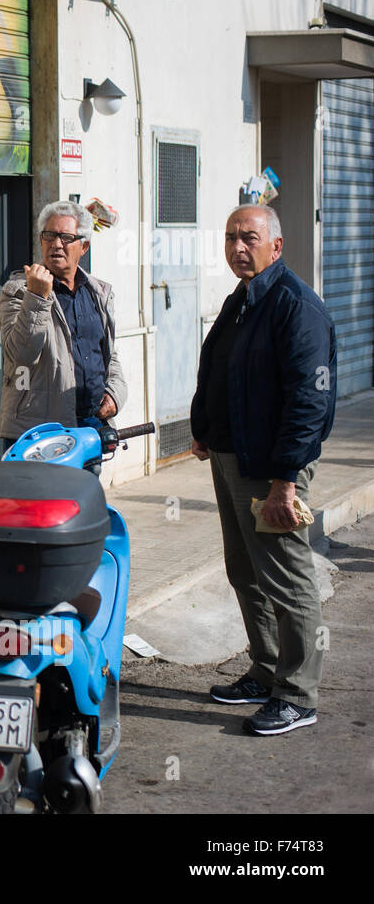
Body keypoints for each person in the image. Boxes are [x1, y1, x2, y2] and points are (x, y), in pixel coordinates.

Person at [191, 204, 335, 735]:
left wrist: (286, 479)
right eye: (230, 237)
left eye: (249, 237)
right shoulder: (243, 299)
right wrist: (204, 425)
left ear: (277, 245)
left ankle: (298, 694)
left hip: (273, 468)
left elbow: (308, 400)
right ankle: (268, 668)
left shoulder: (295, 305)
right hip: (232, 459)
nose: (237, 247)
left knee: (287, 576)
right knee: (245, 571)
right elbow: (222, 369)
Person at [0, 200, 127, 452]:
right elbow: (20, 354)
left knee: (84, 492)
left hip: (90, 427)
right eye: (50, 235)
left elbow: (109, 356)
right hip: (37, 433)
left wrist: (115, 395)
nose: (57, 244)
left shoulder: (98, 292)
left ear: (84, 246)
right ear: (41, 240)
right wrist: (37, 297)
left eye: (66, 237)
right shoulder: (18, 290)